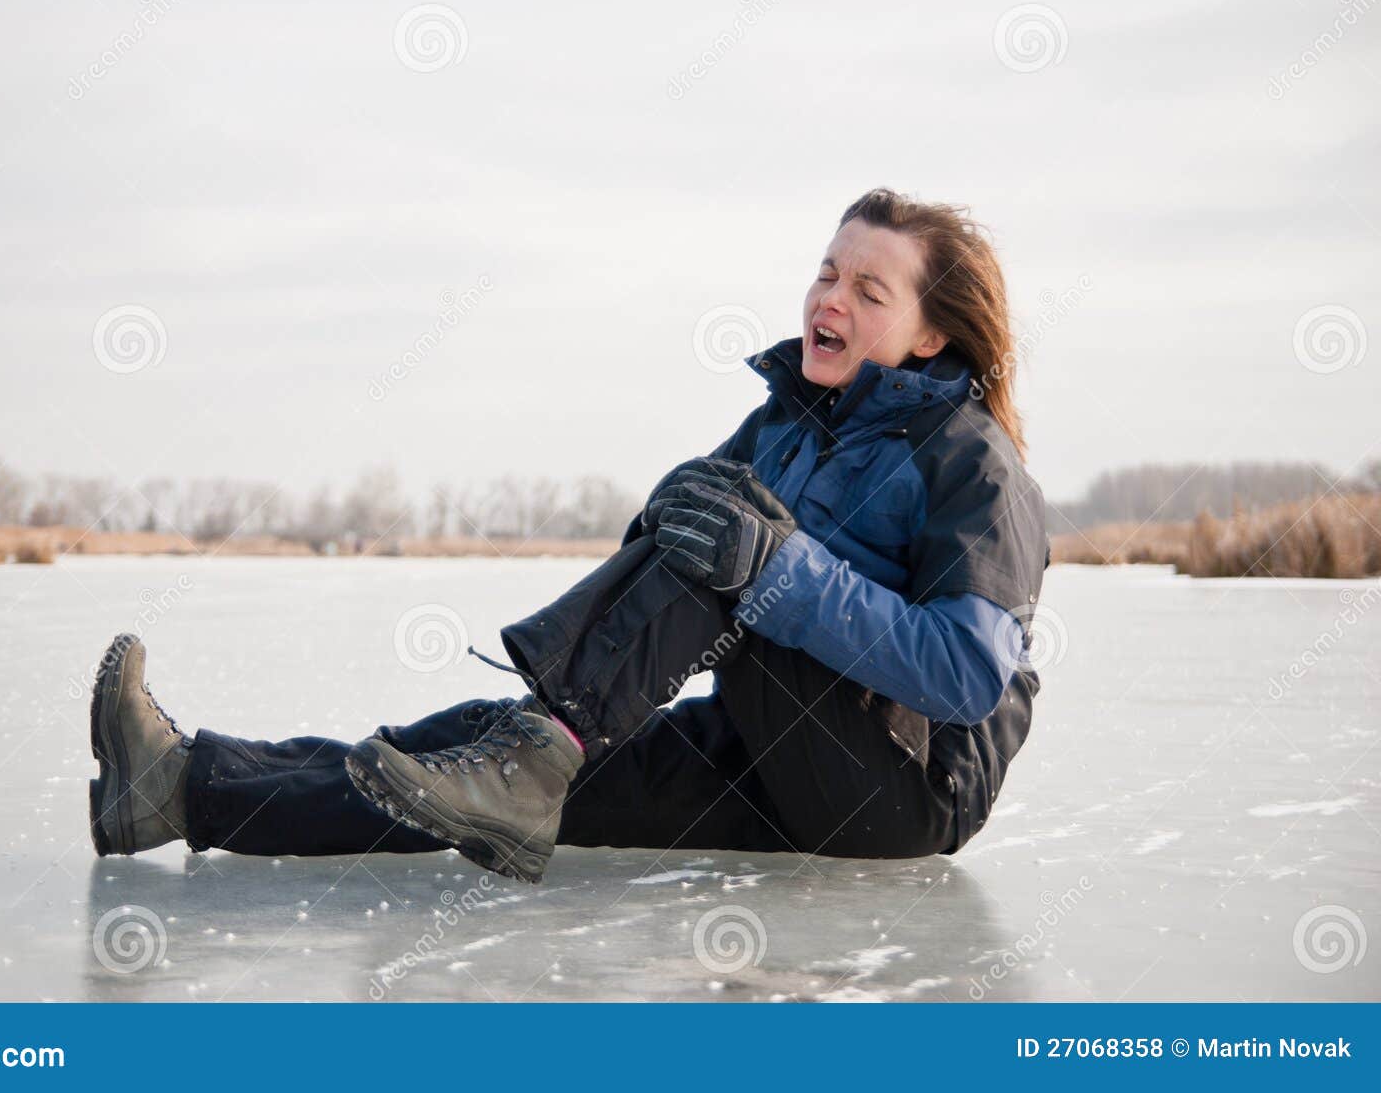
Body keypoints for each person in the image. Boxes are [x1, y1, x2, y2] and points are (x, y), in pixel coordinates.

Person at [87, 188, 1050, 885]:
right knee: (460, 763)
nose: (830, 299)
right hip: (765, 744)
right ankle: (181, 787)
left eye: (870, 291)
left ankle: (541, 747)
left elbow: (965, 672)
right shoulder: (792, 422)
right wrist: (676, 517)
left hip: (901, 786)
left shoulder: (973, 464)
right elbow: (668, 550)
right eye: (827, 271)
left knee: (737, 538)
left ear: (930, 335)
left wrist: (774, 567)